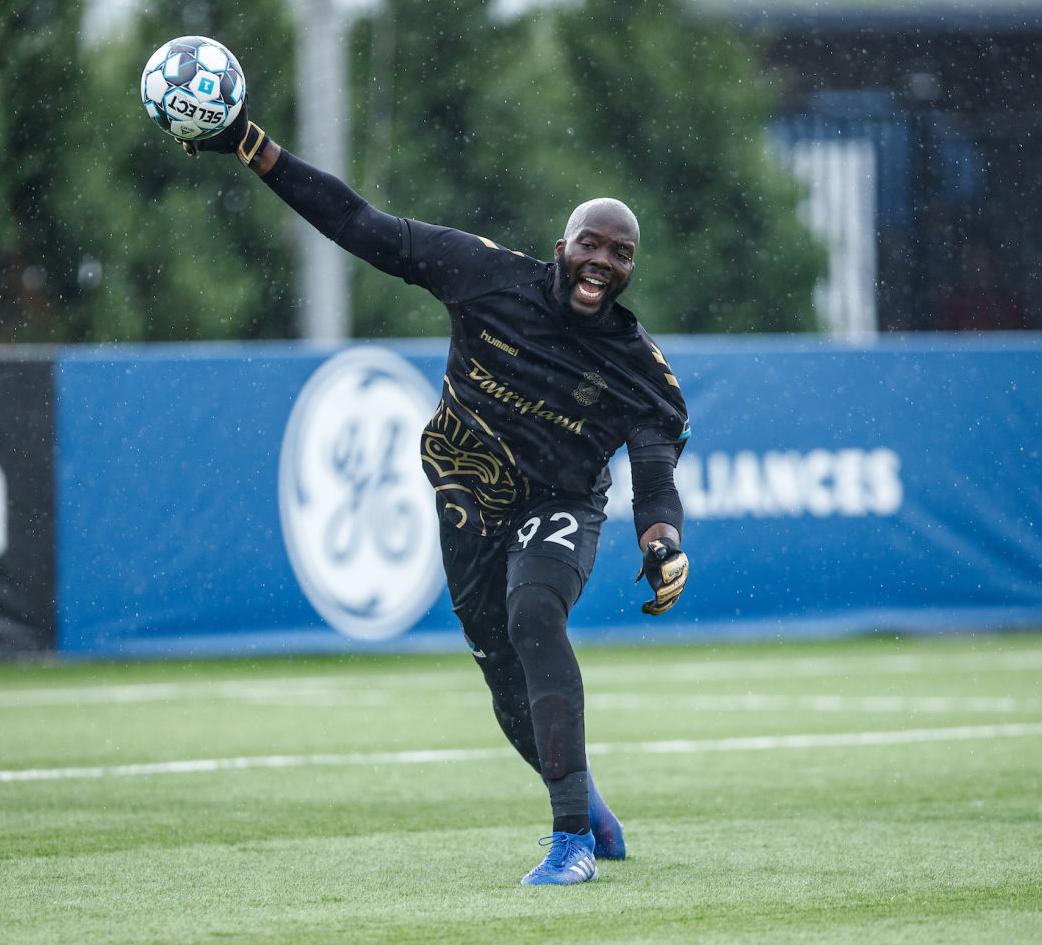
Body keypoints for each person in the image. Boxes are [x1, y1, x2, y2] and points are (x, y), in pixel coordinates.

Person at [184, 105, 690, 886]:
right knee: (502, 677)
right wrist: (254, 146)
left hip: (559, 503)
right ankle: (589, 806)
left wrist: (662, 540)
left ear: (630, 269)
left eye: (619, 253)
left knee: (534, 615)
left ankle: (570, 843)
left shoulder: (640, 369)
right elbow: (358, 223)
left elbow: (654, 476)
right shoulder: (485, 273)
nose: (601, 261)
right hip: (468, 499)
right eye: (590, 244)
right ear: (561, 248)